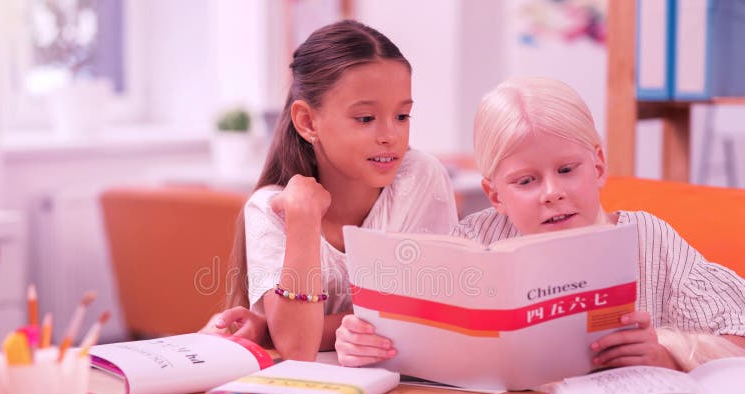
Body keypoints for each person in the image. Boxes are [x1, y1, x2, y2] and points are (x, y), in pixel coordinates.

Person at [335, 76, 745, 370]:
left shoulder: (648, 238)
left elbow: (738, 335)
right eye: (526, 181)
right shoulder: (472, 241)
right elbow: (410, 339)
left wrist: (666, 352)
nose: (551, 192)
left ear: (598, 166)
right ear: (495, 195)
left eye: (567, 170)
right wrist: (361, 341)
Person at [201, 20, 458, 360]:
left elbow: (437, 313)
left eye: (402, 116)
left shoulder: (419, 178)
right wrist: (304, 221)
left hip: (410, 384)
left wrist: (276, 328)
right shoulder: (272, 208)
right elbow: (297, 347)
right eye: (366, 119)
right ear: (308, 122)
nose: (390, 135)